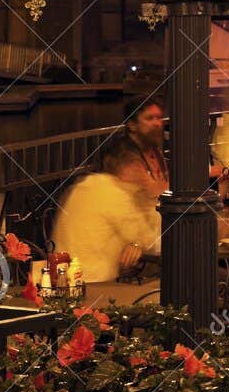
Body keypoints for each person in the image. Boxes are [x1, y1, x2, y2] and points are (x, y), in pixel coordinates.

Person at [52, 138, 163, 282]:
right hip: (92, 284)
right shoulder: (116, 195)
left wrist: (135, 245)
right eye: (146, 167)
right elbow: (153, 242)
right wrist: (155, 196)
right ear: (134, 166)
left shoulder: (88, 185)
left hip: (62, 279)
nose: (148, 173)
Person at [123, 98, 169, 197]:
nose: (157, 124)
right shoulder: (123, 157)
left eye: (159, 118)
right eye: (149, 118)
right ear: (132, 125)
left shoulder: (153, 150)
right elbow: (149, 194)